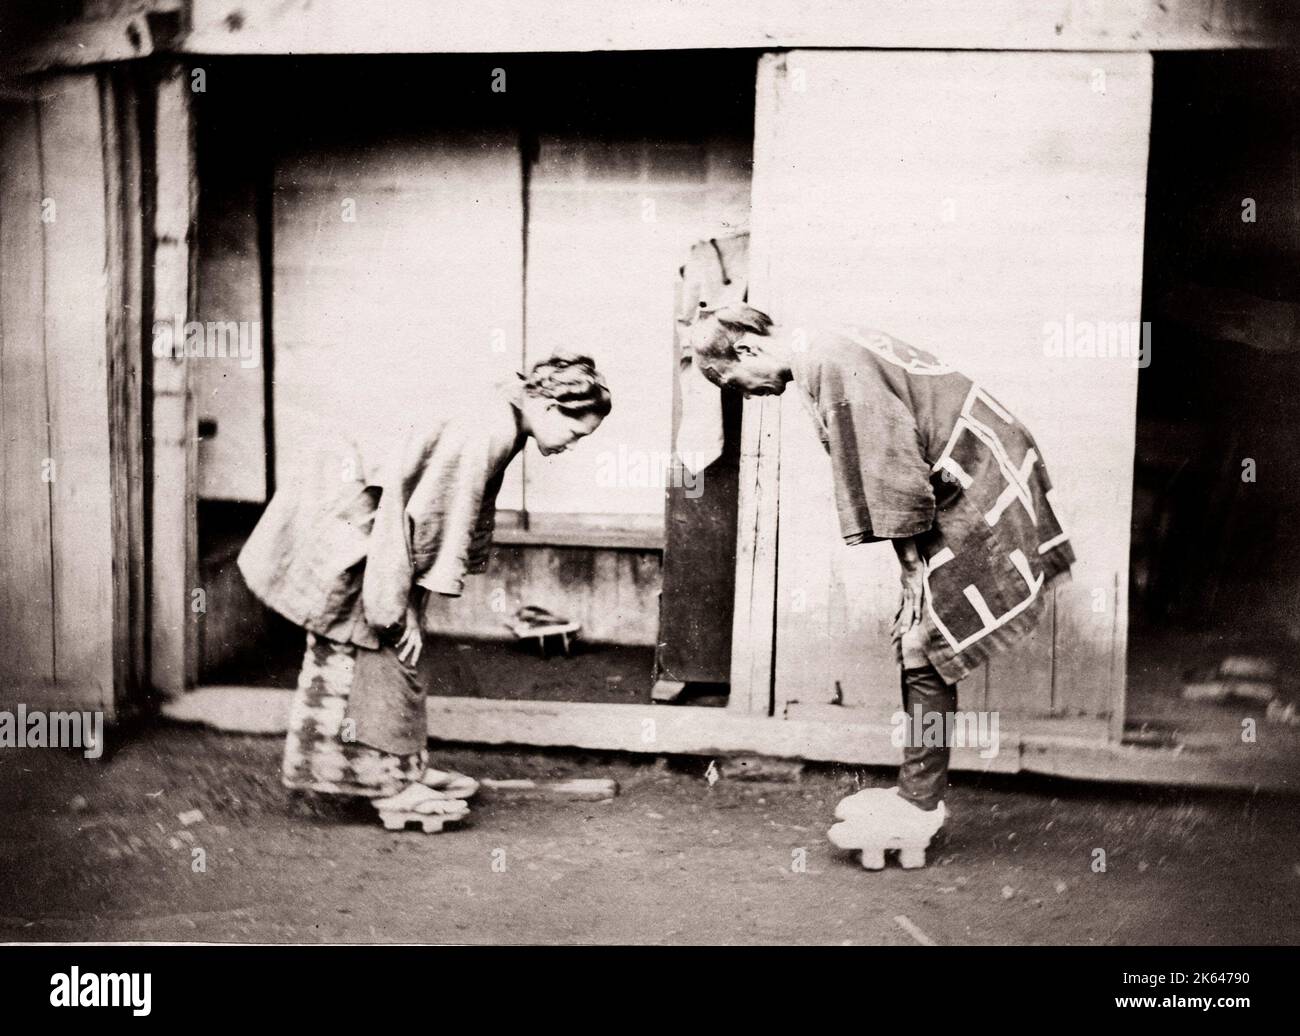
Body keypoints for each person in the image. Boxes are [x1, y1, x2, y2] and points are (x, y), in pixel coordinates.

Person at [689, 304, 1073, 861]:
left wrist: (915, 569)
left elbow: (889, 467)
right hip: (970, 464)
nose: (746, 395)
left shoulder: (829, 359)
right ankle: (917, 792)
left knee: (923, 642)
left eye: (732, 383)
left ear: (746, 351)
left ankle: (919, 805)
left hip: (975, 474)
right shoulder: (823, 341)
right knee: (920, 640)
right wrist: (912, 567)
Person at [237, 354, 611, 828]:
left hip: (375, 503)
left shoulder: (508, 408)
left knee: (385, 639)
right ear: (553, 408)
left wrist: (407, 599)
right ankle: (386, 785)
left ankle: (401, 769)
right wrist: (400, 606)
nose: (573, 445)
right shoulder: (489, 428)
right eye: (577, 435)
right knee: (374, 636)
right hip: (352, 503)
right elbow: (426, 522)